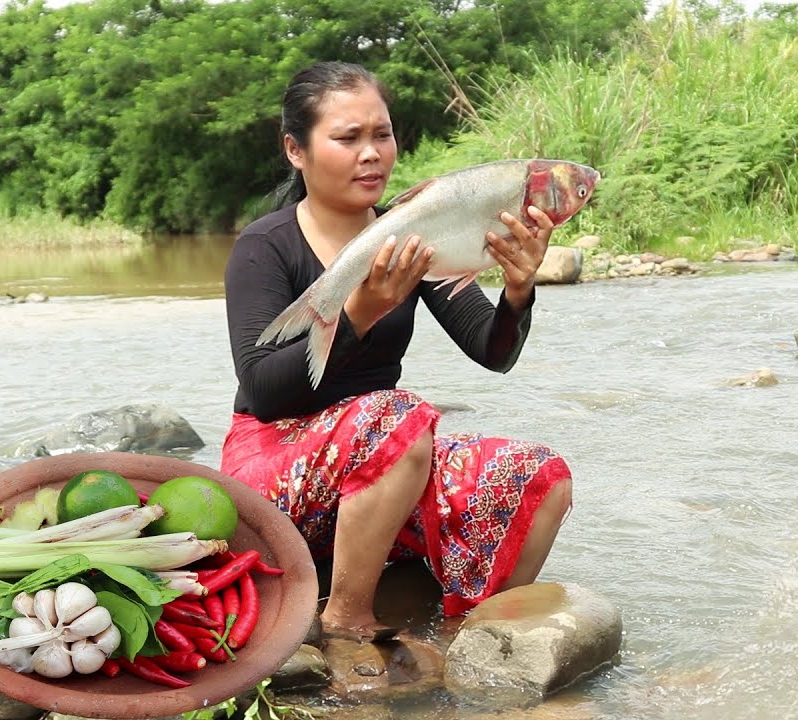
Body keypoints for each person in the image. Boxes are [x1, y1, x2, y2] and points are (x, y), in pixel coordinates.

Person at [219, 61, 573, 643]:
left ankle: (464, 637)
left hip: (387, 465)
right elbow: (263, 389)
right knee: (400, 416)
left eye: (381, 135)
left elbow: (492, 351)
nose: (371, 154)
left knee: (537, 475)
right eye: (348, 138)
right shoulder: (264, 247)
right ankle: (344, 621)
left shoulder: (413, 231)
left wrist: (516, 289)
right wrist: (359, 311)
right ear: (295, 150)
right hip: (276, 470)